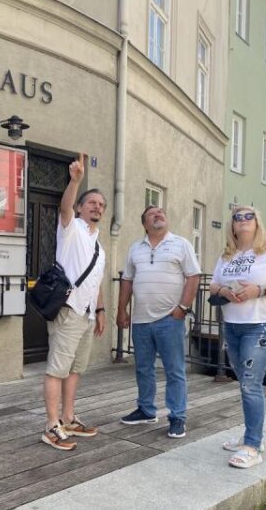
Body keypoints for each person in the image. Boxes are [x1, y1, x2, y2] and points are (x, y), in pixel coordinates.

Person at [208, 206, 266, 468]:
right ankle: (252, 435)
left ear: (257, 223)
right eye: (238, 217)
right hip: (233, 326)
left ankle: (253, 446)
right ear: (232, 225)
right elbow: (213, 284)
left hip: (262, 326)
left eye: (249, 216)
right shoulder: (227, 255)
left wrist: (259, 290)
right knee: (245, 381)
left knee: (250, 383)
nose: (243, 220)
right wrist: (224, 291)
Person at [117, 206, 201, 439]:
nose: (159, 214)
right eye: (152, 213)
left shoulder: (181, 244)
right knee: (143, 368)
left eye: (161, 212)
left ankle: (177, 416)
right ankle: (146, 410)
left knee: (174, 370)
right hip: (141, 320)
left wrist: (183, 308)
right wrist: (122, 310)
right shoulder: (135, 248)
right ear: (144, 223)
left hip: (169, 319)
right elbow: (127, 280)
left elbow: (193, 276)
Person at [41, 155, 107, 451]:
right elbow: (64, 207)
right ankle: (51, 425)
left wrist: (101, 310)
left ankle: (68, 418)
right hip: (68, 312)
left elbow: (97, 280)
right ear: (81, 207)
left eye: (101, 205)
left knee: (75, 369)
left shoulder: (99, 244)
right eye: (92, 202)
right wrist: (75, 181)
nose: (97, 207)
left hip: (87, 315)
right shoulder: (72, 228)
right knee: (57, 369)